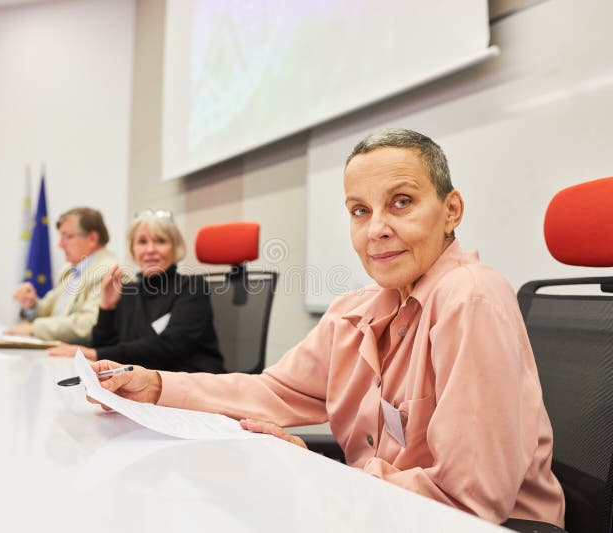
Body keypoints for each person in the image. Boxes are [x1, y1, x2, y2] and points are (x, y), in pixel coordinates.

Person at [87, 129, 565, 527]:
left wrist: (319, 478)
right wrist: (156, 385)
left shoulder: (470, 297)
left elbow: (471, 502)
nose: (375, 228)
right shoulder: (352, 313)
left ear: (452, 211)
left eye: (401, 202)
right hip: (385, 513)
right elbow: (272, 392)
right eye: (359, 210)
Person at [48, 210, 225, 374]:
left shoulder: (192, 287)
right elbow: (106, 348)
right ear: (133, 249)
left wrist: (94, 353)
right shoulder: (128, 289)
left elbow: (171, 345)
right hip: (142, 390)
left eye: (160, 241)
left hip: (191, 384)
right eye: (142, 242)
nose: (150, 250)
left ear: (175, 247)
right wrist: (107, 308)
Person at [6, 207, 117, 343]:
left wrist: (34, 328)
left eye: (67, 237)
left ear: (92, 238)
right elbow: (49, 310)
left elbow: (89, 324)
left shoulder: (109, 271)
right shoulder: (70, 270)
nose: (60, 244)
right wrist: (32, 305)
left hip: (83, 358)